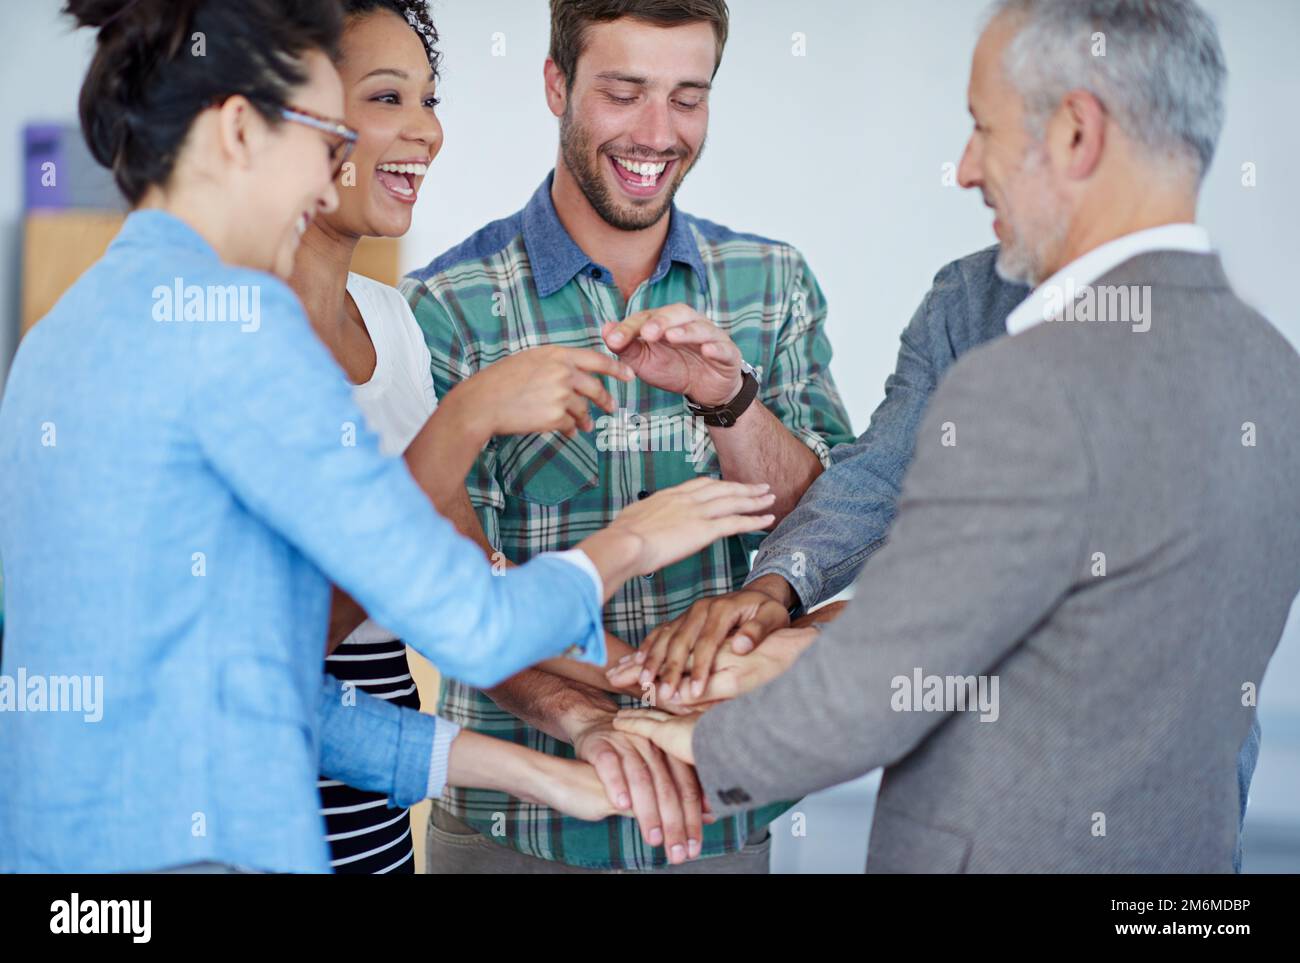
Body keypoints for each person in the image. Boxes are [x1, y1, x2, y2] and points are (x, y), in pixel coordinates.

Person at [0, 0, 774, 873]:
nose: (330, 178)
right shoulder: (242, 327)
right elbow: (470, 623)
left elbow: (274, 679)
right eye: (326, 142)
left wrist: (553, 779)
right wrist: (637, 537)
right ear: (239, 132)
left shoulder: (60, 339)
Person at [616, 0, 1300, 873]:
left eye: (984, 128)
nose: (966, 167)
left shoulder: (1031, 384)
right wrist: (781, 598)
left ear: (1077, 134)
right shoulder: (1277, 373)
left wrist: (677, 743)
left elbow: (889, 681)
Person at [402, 0, 854, 872]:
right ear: (556, 84)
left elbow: (828, 533)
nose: (658, 133)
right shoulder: (446, 307)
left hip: (719, 822)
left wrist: (732, 403)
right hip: (516, 828)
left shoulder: (775, 281)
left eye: (689, 97)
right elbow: (449, 591)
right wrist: (603, 712)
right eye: (625, 91)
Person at [289, 0, 648, 874]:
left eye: (429, 99)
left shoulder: (392, 321)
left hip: (381, 788)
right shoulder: (234, 336)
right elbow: (282, 636)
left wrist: (599, 697)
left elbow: (458, 582)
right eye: (387, 99)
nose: (426, 132)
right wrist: (469, 416)